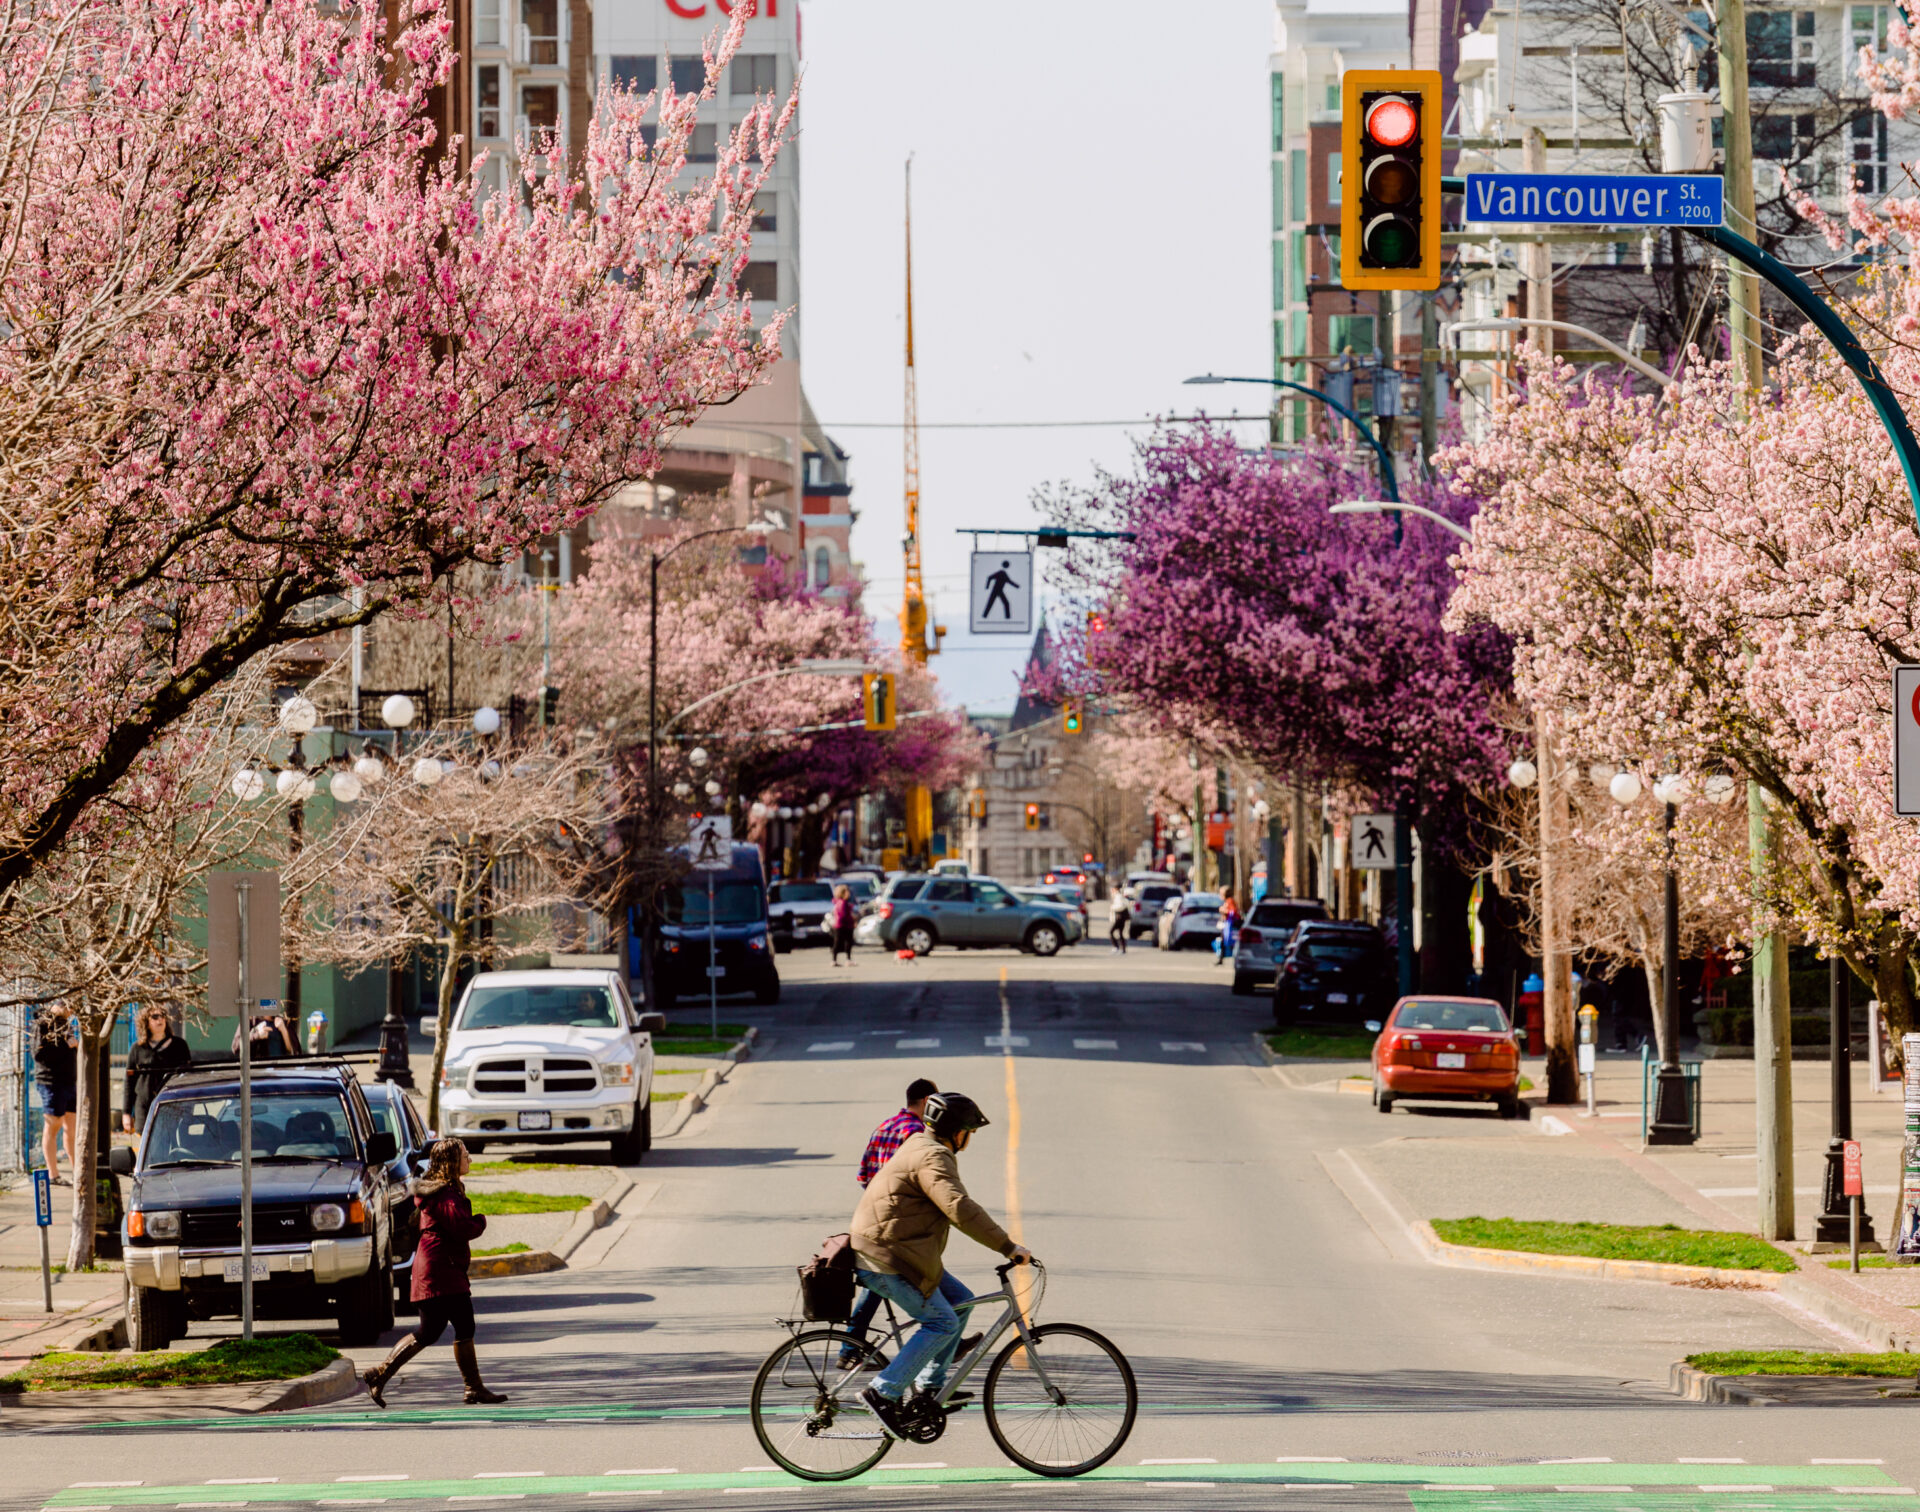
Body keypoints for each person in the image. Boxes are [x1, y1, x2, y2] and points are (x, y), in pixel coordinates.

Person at [849, 1092, 1032, 1439]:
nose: (970, 1140)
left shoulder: (921, 1143)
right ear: (956, 1132)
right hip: (886, 1255)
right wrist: (1008, 1247)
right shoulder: (933, 1156)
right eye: (969, 1132)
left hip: (900, 1251)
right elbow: (959, 1208)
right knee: (942, 1322)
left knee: (960, 1301)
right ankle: (882, 1391)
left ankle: (929, 1387)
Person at [363, 1138, 509, 1407]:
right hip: (441, 1271)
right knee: (462, 1324)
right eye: (466, 1155)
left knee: (430, 1330)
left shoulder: (443, 1191)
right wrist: (481, 1221)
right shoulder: (446, 1194)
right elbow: (462, 1227)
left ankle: (380, 1375)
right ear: (453, 1161)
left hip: (437, 1269)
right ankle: (473, 1387)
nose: (470, 1160)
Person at [838, 1077, 938, 1368]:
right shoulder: (917, 1133)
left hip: (871, 1217)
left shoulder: (884, 1126)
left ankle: (849, 1348)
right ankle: (943, 1339)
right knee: (922, 1277)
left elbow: (863, 1175)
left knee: (879, 1281)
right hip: (900, 1223)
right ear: (924, 1102)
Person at [123, 1007, 192, 1147]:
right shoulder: (138, 1049)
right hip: (145, 1106)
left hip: (173, 1104)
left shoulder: (179, 1046)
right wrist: (126, 1113)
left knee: (171, 1143)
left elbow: (188, 1077)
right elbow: (129, 1083)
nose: (160, 1019)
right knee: (148, 1145)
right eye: (155, 1017)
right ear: (146, 1022)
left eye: (163, 1016)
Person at [31, 1005, 78, 1186]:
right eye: (67, 1006)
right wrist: (66, 1045)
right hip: (51, 1082)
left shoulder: (66, 1024)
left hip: (69, 1081)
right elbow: (39, 1054)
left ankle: (77, 1171)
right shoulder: (42, 1024)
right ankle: (53, 1174)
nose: (70, 1010)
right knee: (53, 1124)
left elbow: (70, 1050)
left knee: (71, 1127)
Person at [231, 1010, 298, 1061]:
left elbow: (295, 1053)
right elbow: (235, 1047)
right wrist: (256, 1035)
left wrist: (284, 1031)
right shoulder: (250, 1020)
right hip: (259, 1073)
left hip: (282, 1072)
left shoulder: (284, 1022)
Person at [828, 885, 858, 967]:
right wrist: (853, 920)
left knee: (838, 942)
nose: (849, 894)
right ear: (843, 893)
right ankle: (847, 960)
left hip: (839, 925)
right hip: (844, 925)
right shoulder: (843, 903)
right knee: (846, 942)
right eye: (847, 892)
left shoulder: (838, 902)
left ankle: (834, 960)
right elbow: (844, 915)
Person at [1213, 894, 1241, 965]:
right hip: (1226, 925)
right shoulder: (1227, 901)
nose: (1220, 895)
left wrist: (1223, 910)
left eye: (1221, 893)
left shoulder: (1229, 901)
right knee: (1223, 942)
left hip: (1229, 925)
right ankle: (1221, 958)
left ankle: (1234, 959)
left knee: (1231, 943)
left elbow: (1232, 912)